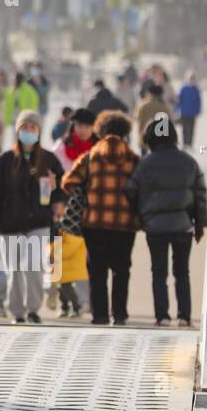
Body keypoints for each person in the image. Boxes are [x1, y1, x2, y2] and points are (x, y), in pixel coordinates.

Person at [0, 110, 65, 324]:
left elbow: (62, 189)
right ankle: (17, 312)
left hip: (38, 221)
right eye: (24, 128)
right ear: (17, 131)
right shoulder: (4, 162)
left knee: (34, 268)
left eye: (32, 128)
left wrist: (57, 192)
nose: (28, 132)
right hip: (11, 223)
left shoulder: (49, 160)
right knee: (15, 270)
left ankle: (33, 309)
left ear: (39, 131)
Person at [126, 119, 207, 327]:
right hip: (183, 226)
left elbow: (131, 190)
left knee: (159, 273)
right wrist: (199, 224)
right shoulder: (188, 162)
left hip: (155, 227)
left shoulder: (145, 164)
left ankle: (162, 316)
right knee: (182, 272)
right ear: (174, 136)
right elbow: (200, 194)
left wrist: (142, 215)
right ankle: (184, 316)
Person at [60, 111, 140, 325]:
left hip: (94, 223)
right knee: (121, 270)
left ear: (101, 130)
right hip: (125, 224)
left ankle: (100, 315)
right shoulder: (133, 158)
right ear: (125, 132)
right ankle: (120, 315)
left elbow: (68, 182)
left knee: (97, 271)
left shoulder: (91, 156)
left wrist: (87, 193)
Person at [50, 108, 97, 318]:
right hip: (65, 209)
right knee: (62, 256)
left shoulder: (99, 148)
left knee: (88, 257)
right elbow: (52, 180)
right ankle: (65, 301)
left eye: (87, 126)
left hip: (91, 210)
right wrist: (57, 203)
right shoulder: (60, 149)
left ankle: (86, 300)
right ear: (73, 127)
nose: (84, 130)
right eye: (80, 126)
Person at [133, 83, 171, 153]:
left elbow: (138, 118)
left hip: (144, 136)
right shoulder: (164, 107)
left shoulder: (143, 105)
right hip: (160, 139)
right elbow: (169, 122)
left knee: (144, 158)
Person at [176, 74, 203, 150]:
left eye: (193, 79)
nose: (191, 80)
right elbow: (179, 99)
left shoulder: (196, 89)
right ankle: (185, 144)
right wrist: (177, 109)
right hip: (184, 112)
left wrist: (198, 110)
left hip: (193, 113)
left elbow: (198, 101)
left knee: (191, 129)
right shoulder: (183, 89)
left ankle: (190, 144)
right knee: (184, 129)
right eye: (190, 79)